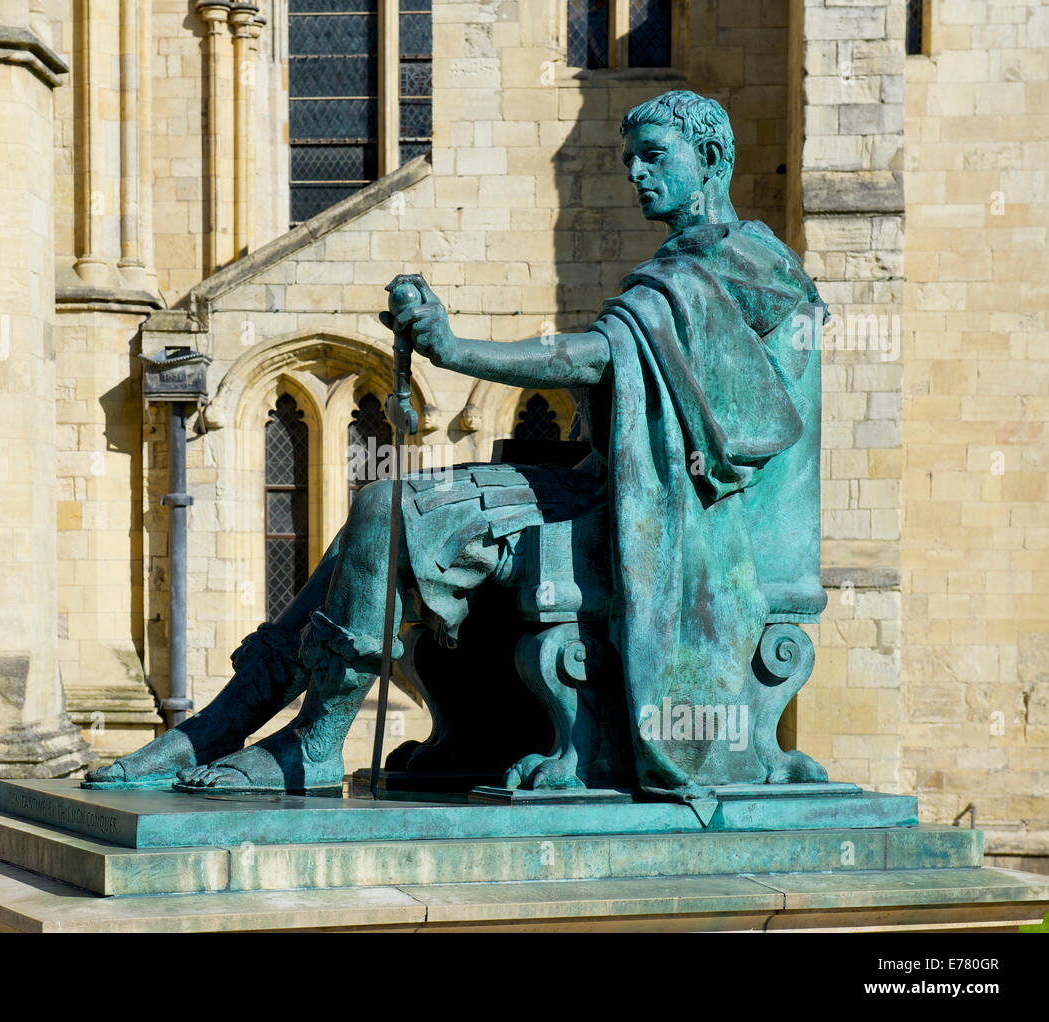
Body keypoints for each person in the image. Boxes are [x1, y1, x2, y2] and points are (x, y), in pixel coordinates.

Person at [86, 90, 826, 799]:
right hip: (620, 488)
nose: (636, 172)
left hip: (683, 518)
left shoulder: (744, 266)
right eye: (630, 157)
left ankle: (306, 744)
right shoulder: (684, 268)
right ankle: (226, 725)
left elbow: (594, 358)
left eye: (654, 155)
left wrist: (452, 347)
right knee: (373, 525)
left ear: (710, 157)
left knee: (388, 506)